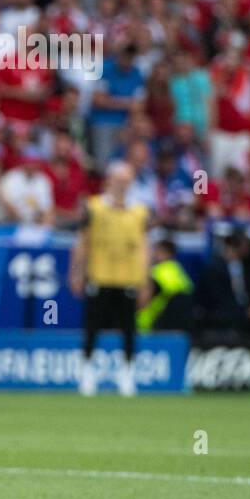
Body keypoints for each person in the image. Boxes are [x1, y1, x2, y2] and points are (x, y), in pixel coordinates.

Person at [70, 161, 149, 397]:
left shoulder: (139, 211)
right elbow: (82, 242)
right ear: (109, 181)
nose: (122, 185)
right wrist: (76, 272)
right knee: (92, 327)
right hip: (100, 276)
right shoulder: (94, 208)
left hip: (128, 278)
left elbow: (144, 246)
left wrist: (145, 278)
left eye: (127, 180)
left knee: (128, 329)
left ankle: (126, 373)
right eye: (118, 180)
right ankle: (87, 372)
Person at [137, 238, 194, 333]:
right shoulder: (181, 273)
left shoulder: (156, 273)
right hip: (180, 330)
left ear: (162, 252)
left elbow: (142, 302)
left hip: (149, 329)